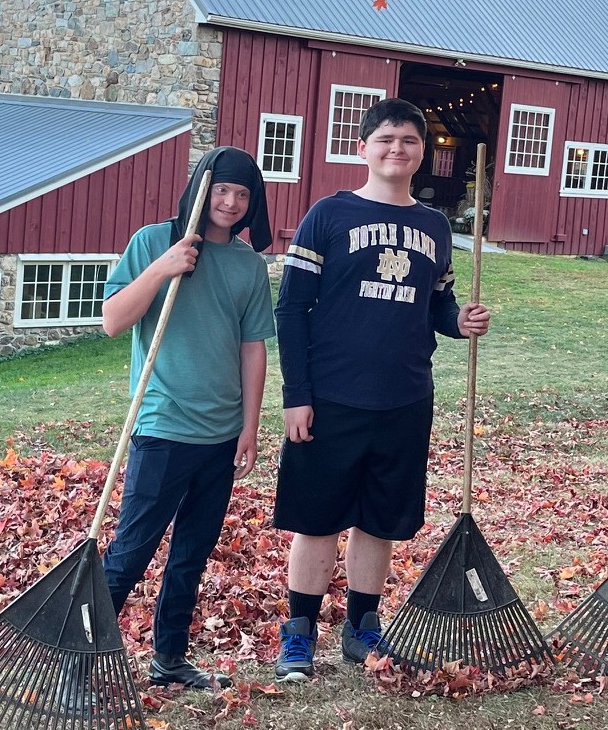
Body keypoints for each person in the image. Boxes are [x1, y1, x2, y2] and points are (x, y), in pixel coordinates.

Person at [271, 97, 492, 681]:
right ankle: (299, 634)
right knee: (317, 519)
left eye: (410, 141)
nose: (397, 149)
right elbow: (291, 308)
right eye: (386, 138)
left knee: (380, 520)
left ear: (422, 153)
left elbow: (436, 303)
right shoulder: (330, 214)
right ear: (364, 147)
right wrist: (297, 393)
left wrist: (458, 319)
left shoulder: (434, 225)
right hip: (332, 396)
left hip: (404, 397)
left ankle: (363, 625)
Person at [99, 146, 276, 690]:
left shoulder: (249, 265)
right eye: (221, 189)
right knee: (129, 553)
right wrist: (164, 266)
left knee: (191, 556)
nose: (230, 201)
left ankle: (169, 659)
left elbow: (253, 349)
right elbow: (112, 321)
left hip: (221, 436)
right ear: (201, 187)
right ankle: (79, 655)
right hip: (161, 427)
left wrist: (249, 425)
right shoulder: (154, 241)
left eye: (242, 194)